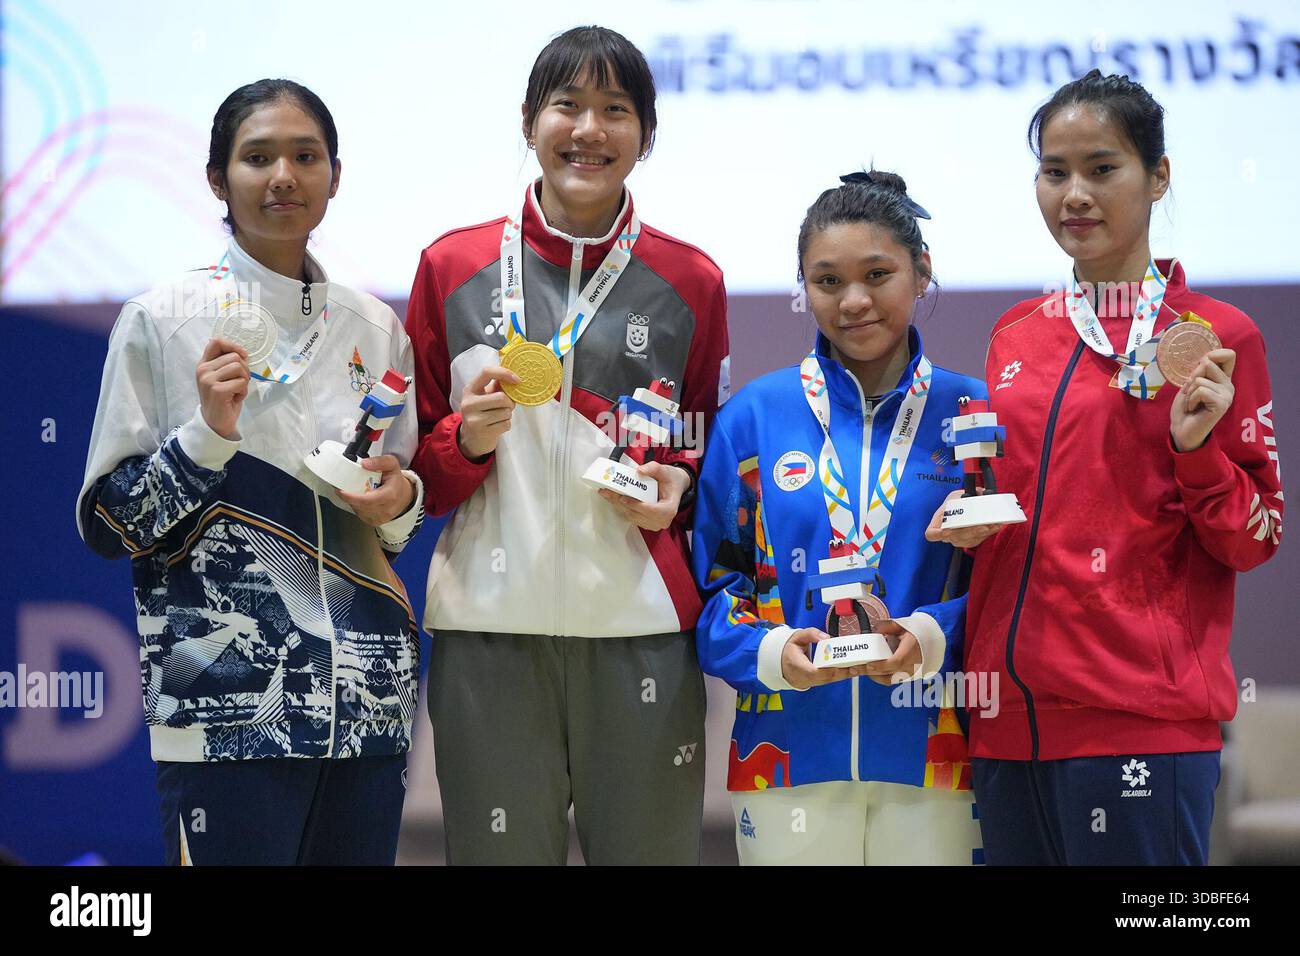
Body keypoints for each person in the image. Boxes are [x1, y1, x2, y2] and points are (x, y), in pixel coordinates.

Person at [928, 70, 1284, 865]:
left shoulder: (1222, 337)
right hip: (1007, 724)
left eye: (1101, 168)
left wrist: (1197, 457)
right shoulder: (1018, 334)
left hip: (1140, 725)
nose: (1074, 194)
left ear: (1159, 177)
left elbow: (1254, 538)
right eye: (1054, 173)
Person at [77, 79, 424, 865]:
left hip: (368, 710)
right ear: (215, 179)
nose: (283, 178)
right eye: (257, 157)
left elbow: (392, 524)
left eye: (306, 157)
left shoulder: (375, 326)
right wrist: (205, 436)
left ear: (335, 175)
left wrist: (399, 501)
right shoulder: (159, 321)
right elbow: (110, 524)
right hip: (228, 712)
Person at [405, 26, 730, 865]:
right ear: (528, 121)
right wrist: (464, 445)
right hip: (488, 635)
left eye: (615, 110)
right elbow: (413, 482)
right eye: (568, 106)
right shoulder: (452, 267)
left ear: (645, 136)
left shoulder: (690, 282)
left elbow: (702, 456)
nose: (589, 129)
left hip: (640, 635)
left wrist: (677, 486)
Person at [691, 172, 985, 865]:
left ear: (921, 272)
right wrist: (769, 654)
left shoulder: (974, 415)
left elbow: (1012, 586)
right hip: (785, 754)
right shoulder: (754, 420)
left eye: (877, 274)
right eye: (827, 281)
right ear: (804, 287)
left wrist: (931, 635)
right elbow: (710, 588)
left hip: (938, 754)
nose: (854, 301)